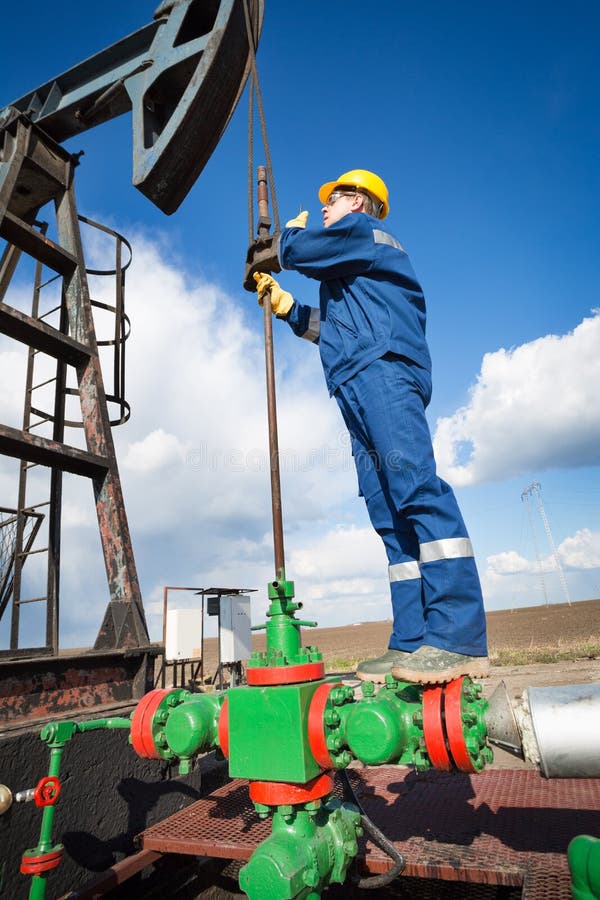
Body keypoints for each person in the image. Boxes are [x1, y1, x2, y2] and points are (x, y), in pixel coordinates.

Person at [253, 169, 489, 684]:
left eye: (332, 200)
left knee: (417, 488)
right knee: (387, 511)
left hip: (384, 369)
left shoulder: (364, 235)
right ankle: (410, 640)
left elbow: (300, 250)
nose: (324, 208)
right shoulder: (351, 271)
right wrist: (290, 309)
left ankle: (456, 636)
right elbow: (336, 330)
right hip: (355, 375)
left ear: (359, 201)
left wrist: (286, 240)